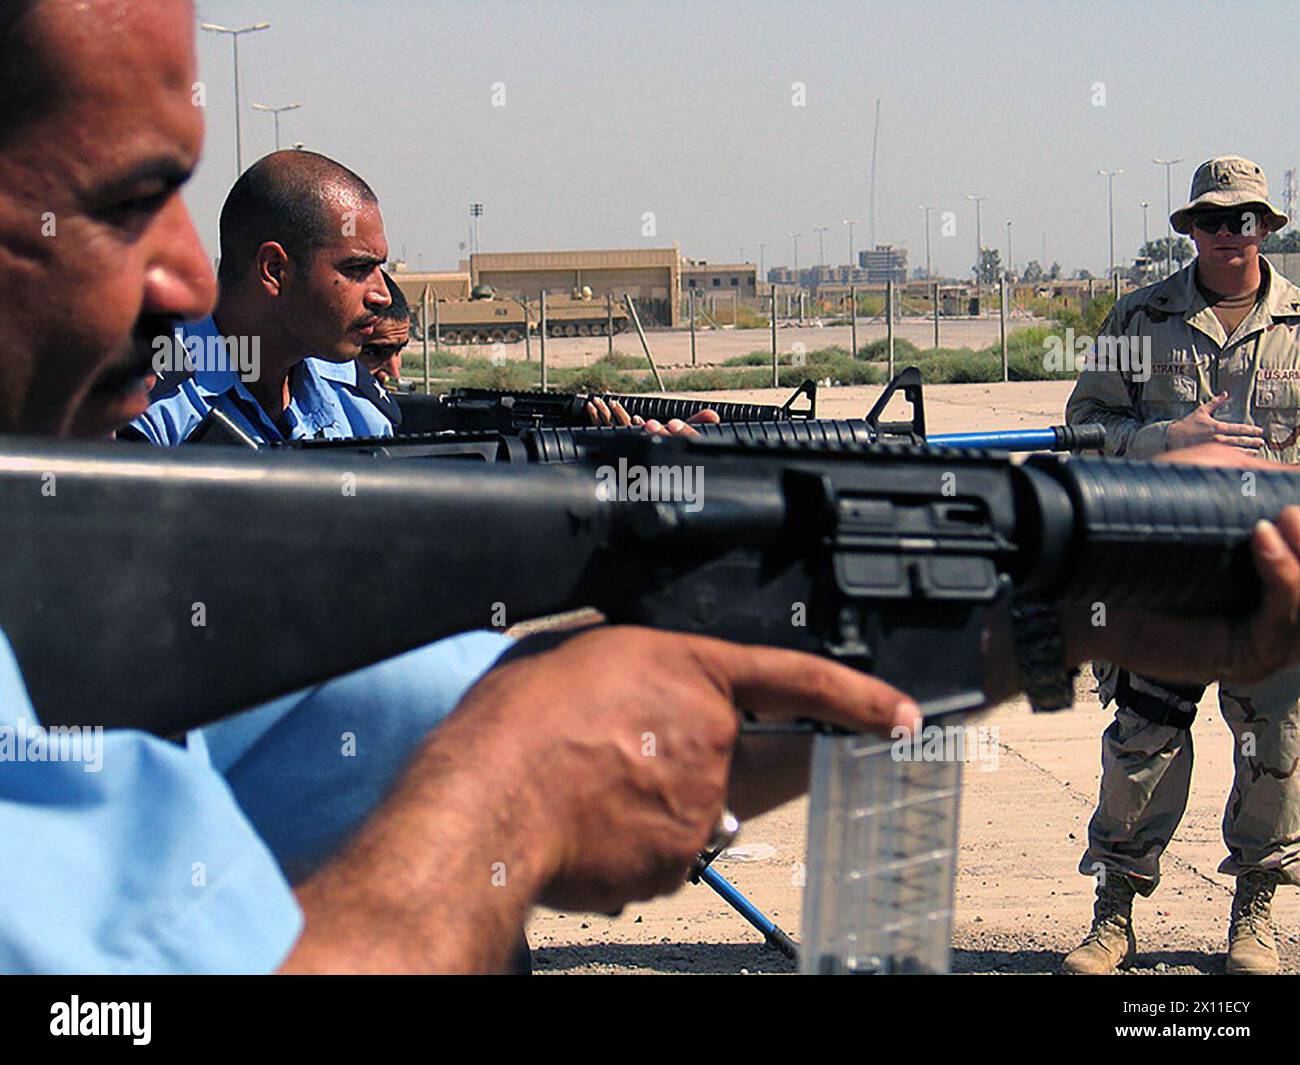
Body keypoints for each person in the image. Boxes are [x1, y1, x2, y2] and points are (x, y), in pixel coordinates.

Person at [3, 0, 1300, 974]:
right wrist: (513, 781)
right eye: (125, 199)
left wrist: (1074, 603)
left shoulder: (296, 471)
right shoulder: (126, 507)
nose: (185, 276)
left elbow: (567, 769)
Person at [1064, 155, 1300, 975]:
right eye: (1212, 219)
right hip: (1166, 578)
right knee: (1141, 746)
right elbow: (1085, 432)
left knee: (1273, 748)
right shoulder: (1140, 321)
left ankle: (1255, 914)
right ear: (1190, 229)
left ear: (1267, 227)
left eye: (1244, 220)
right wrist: (1163, 440)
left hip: (1271, 580)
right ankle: (1115, 914)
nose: (1229, 234)